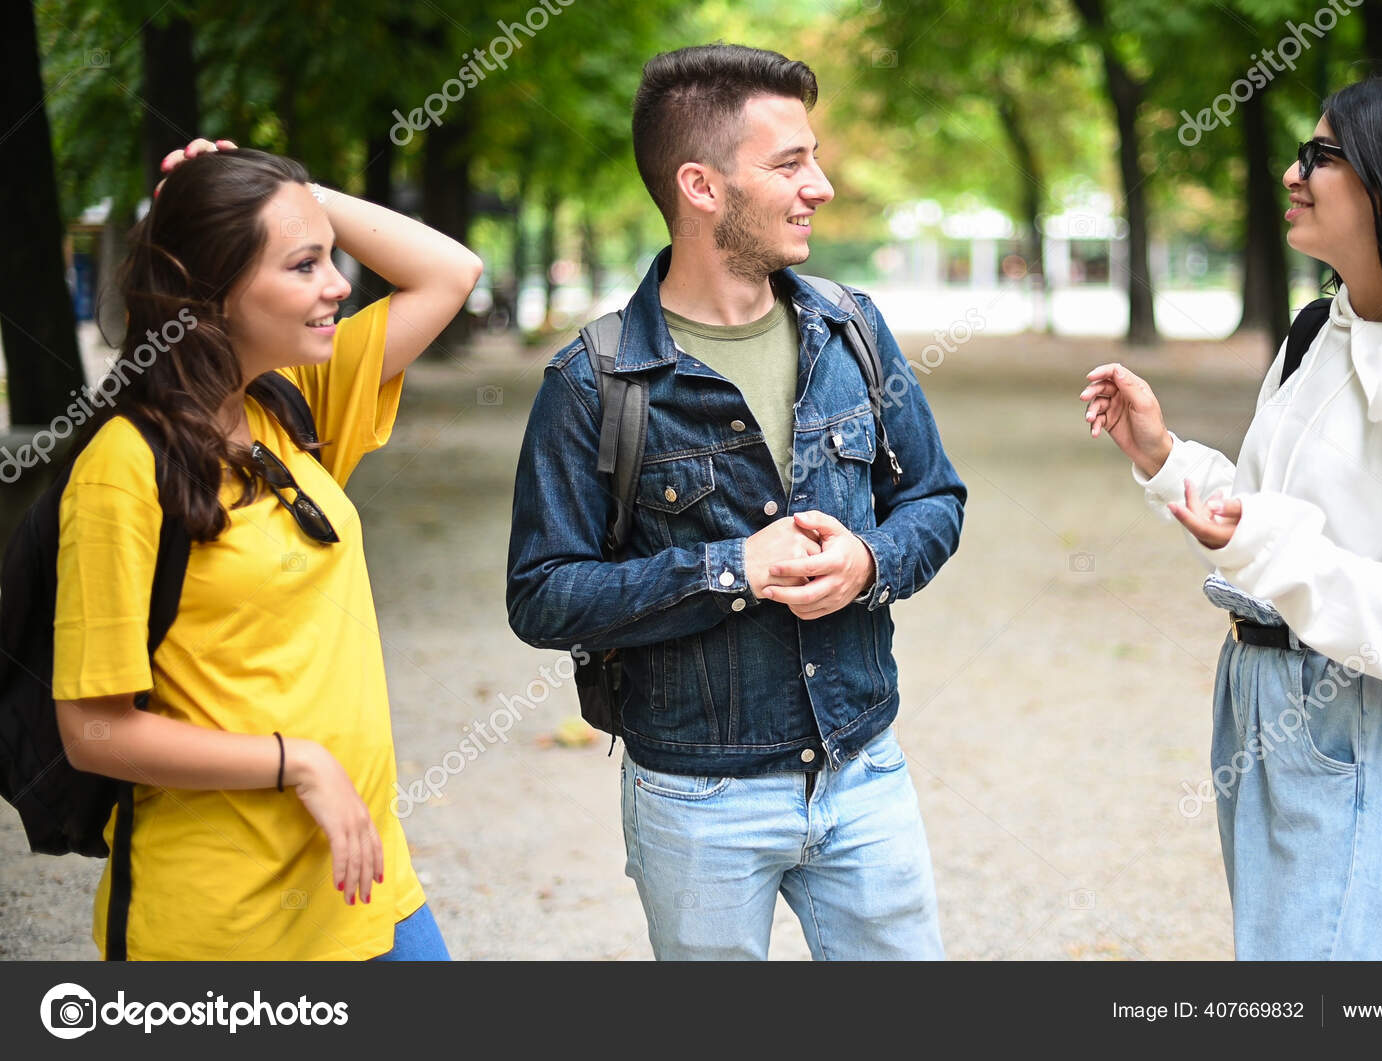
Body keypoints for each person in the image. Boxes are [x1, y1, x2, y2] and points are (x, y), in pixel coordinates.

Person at [1080, 74, 1382, 960]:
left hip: (1356, 721)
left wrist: (1265, 545)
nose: (1293, 174)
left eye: (1322, 155)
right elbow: (1270, 517)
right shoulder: (1319, 334)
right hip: (1260, 693)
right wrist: (1164, 455)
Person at [506, 44, 966, 960]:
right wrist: (729, 570)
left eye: (814, 157)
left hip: (864, 769)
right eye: (789, 164)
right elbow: (544, 594)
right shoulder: (593, 380)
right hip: (695, 796)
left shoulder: (853, 329)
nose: (821, 186)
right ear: (702, 187)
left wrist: (870, 561)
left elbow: (936, 498)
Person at [53, 139, 481, 959]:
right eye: (302, 264)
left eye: (328, 256)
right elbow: (93, 731)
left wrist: (283, 185)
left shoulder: (292, 407)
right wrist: (301, 763)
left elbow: (447, 270)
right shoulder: (123, 469)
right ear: (211, 293)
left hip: (366, 884)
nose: (338, 283)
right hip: (224, 927)